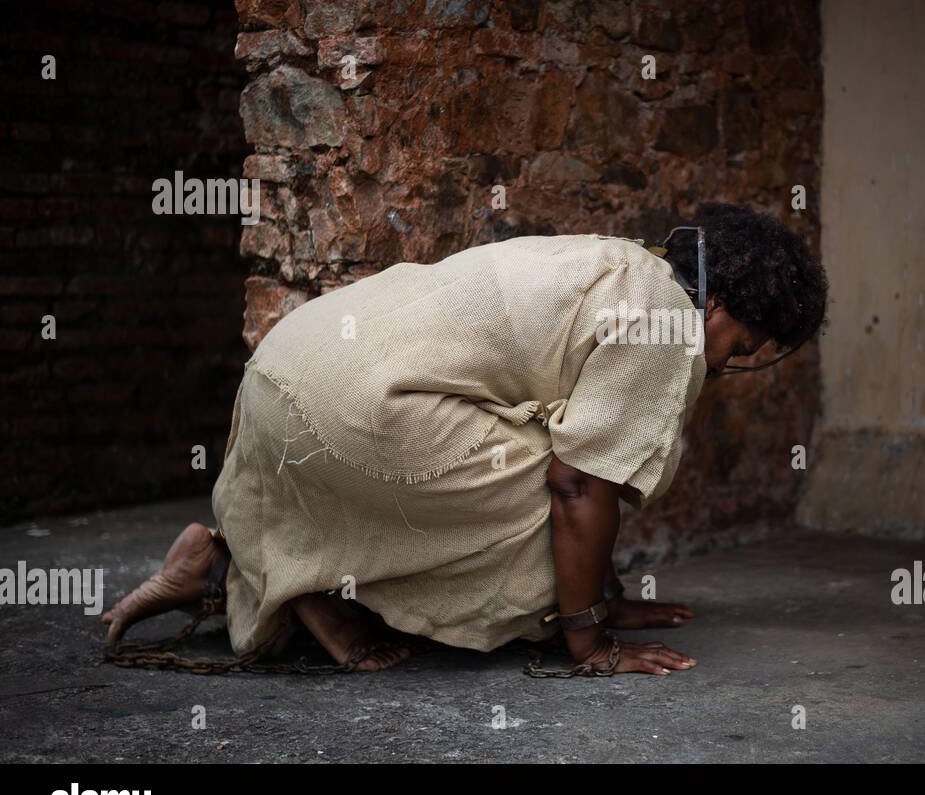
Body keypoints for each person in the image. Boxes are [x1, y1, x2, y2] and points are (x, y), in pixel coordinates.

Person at [102, 203, 828, 676]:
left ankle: (234, 556)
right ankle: (304, 585)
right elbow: (580, 486)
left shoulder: (623, 260)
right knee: (556, 488)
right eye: (742, 345)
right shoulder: (667, 322)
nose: (730, 364)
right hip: (353, 408)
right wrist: (591, 639)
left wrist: (607, 593)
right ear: (723, 303)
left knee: (549, 455)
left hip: (284, 368)